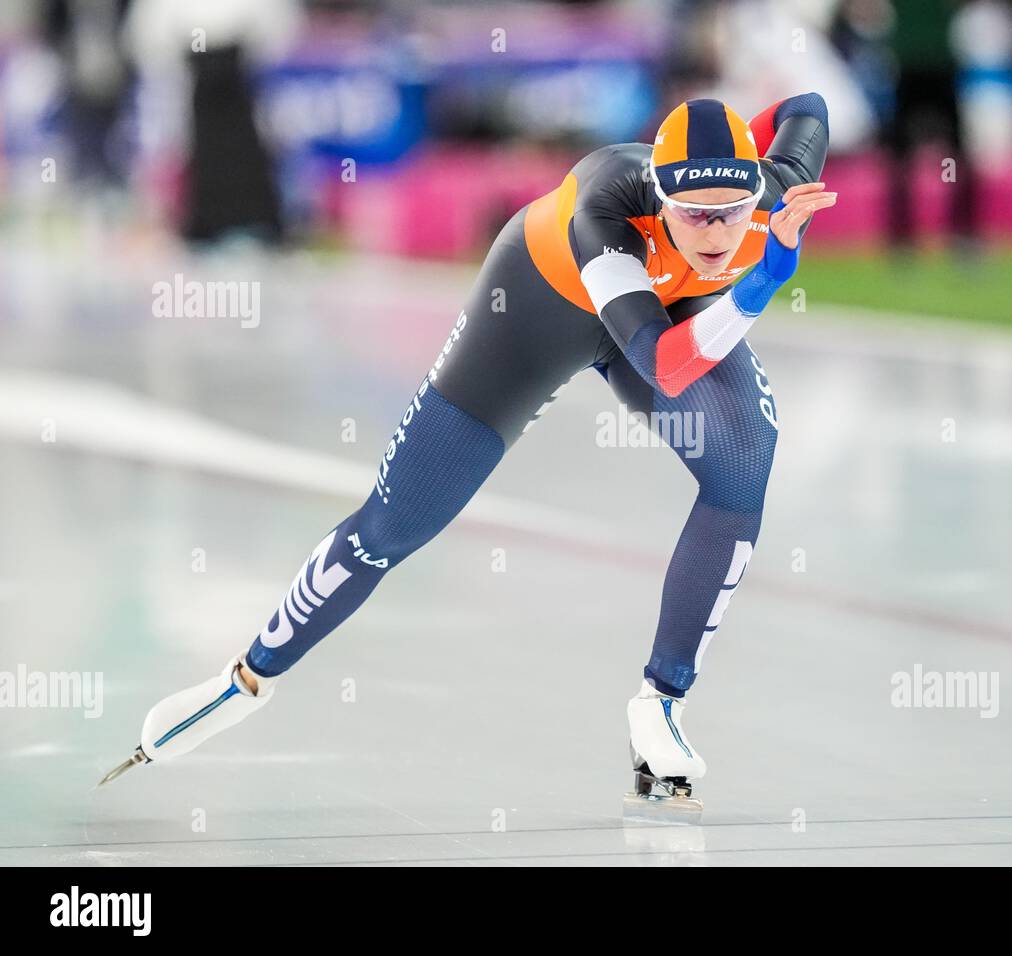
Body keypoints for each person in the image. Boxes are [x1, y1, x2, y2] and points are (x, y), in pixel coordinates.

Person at [99, 94, 835, 800]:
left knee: (744, 463)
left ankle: (662, 703)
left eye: (732, 214)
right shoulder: (605, 210)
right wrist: (766, 272)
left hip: (673, 311)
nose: (715, 234)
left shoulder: (773, 190)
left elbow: (809, 106)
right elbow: (667, 365)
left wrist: (749, 132)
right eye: (695, 216)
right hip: (542, 309)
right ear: (662, 201)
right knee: (394, 527)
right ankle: (246, 677)